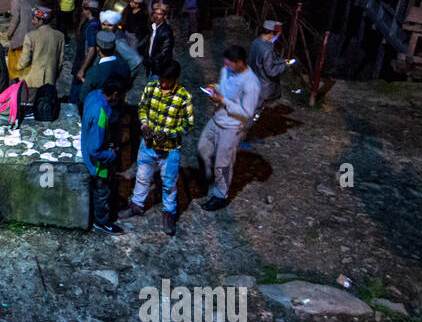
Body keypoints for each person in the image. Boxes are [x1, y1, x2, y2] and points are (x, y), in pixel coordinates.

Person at [120, 61, 193, 235]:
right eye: (160, 79)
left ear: (174, 79)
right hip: (148, 146)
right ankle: (137, 205)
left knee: (169, 184)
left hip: (170, 150)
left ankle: (169, 213)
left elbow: (188, 125)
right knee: (142, 176)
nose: (162, 83)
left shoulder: (184, 97)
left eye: (166, 80)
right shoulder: (151, 88)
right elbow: (142, 108)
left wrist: (170, 135)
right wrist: (144, 125)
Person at [197, 45, 261, 211]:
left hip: (231, 127)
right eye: (225, 63)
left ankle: (220, 196)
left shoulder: (251, 84)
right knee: (203, 146)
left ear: (240, 62)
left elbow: (247, 112)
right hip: (217, 118)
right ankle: (208, 176)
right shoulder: (227, 70)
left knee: (223, 164)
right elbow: (222, 86)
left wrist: (223, 100)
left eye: (229, 64)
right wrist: (214, 88)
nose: (225, 67)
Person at [82, 74, 127, 235]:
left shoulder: (93, 95)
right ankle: (102, 222)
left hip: (87, 146)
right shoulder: (100, 115)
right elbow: (95, 150)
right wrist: (112, 154)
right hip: (97, 164)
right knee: (102, 192)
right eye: (121, 95)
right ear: (114, 94)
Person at [248, 20, 294, 119]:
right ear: (272, 33)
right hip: (262, 86)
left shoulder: (256, 41)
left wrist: (281, 61)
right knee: (253, 113)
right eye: (278, 34)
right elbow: (271, 71)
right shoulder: (267, 49)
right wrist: (285, 65)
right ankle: (243, 132)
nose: (279, 36)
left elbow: (264, 61)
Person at [79, 29, 133, 108]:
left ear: (98, 49)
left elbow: (83, 98)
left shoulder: (94, 72)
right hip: (118, 109)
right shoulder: (124, 64)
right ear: (114, 47)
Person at [16, 6, 64, 91]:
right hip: (50, 79)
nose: (32, 21)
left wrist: (18, 67)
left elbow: (25, 60)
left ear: (41, 21)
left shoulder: (30, 36)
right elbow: (60, 62)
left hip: (32, 81)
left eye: (34, 19)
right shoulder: (60, 36)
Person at [69, 0, 100, 104]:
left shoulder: (91, 28)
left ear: (89, 11)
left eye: (84, 8)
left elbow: (91, 49)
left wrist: (82, 69)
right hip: (83, 62)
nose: (82, 10)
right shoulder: (94, 23)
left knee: (76, 92)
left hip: (83, 64)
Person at [140, 3, 176, 78]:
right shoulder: (152, 27)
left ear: (165, 16)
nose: (156, 16)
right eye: (155, 13)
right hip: (151, 65)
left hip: (159, 67)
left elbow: (164, 52)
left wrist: (151, 61)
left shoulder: (166, 31)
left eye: (159, 14)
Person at [5, 0, 31, 79]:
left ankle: (14, 84)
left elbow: (15, 19)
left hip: (19, 39)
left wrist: (9, 33)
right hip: (27, 38)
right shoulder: (27, 2)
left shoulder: (15, 2)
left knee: (14, 65)